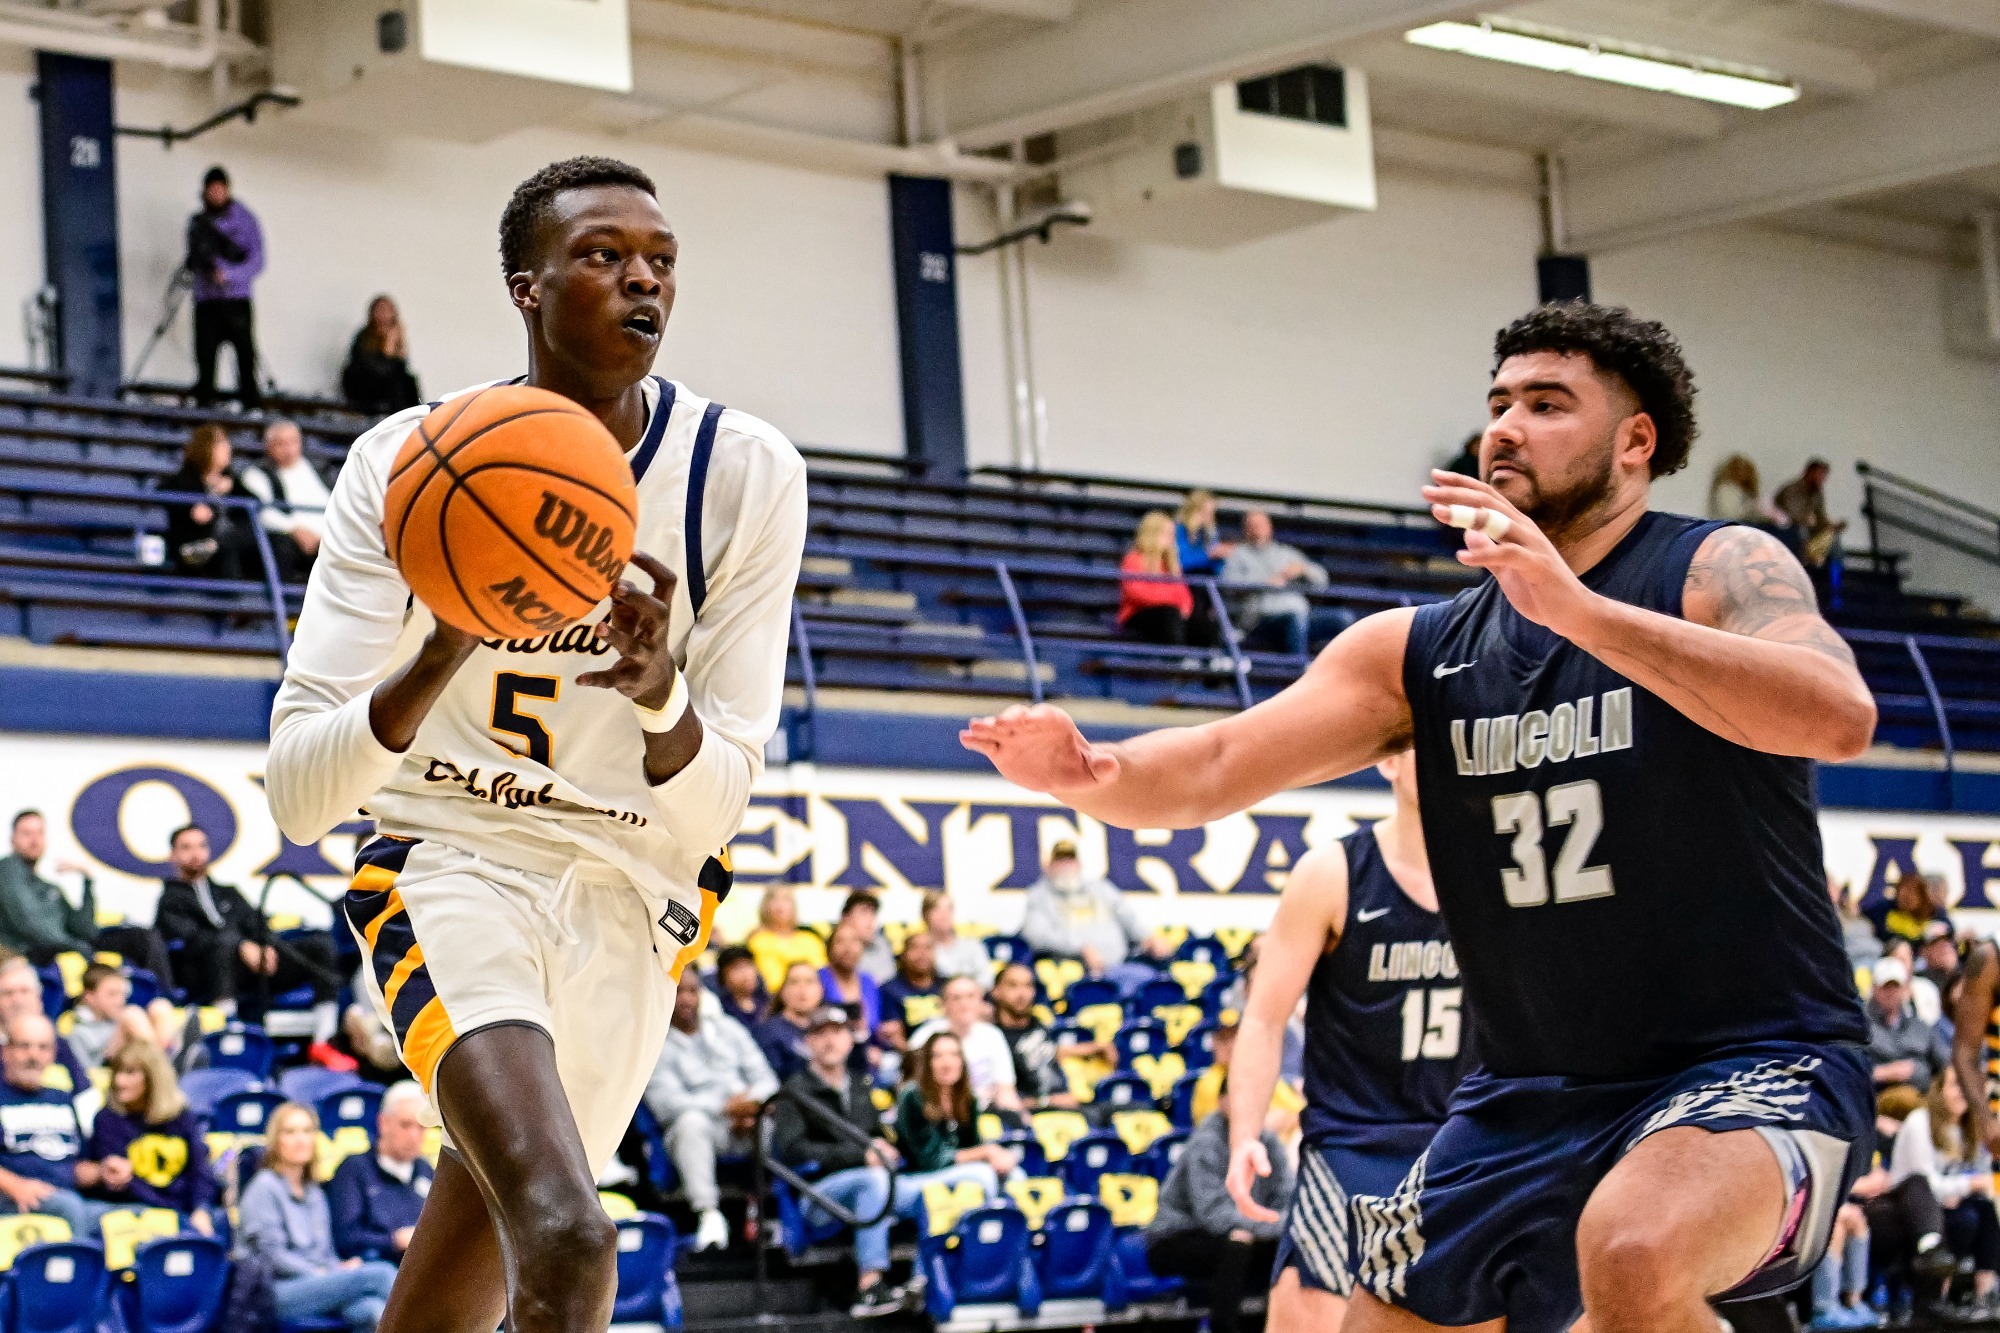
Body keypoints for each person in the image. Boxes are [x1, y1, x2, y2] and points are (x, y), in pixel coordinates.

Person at [962, 301, 1879, 1332]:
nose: (1506, 427)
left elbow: (1838, 715)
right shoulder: (1417, 649)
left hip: (1753, 1062)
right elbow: (1217, 763)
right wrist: (1091, 769)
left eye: (1546, 404)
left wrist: (1580, 615)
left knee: (1633, 1248)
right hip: (1525, 1091)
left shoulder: (1715, 567)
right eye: (1498, 403)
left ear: (1635, 441)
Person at [264, 153, 809, 1331]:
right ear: (527, 285)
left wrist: (660, 694)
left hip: (638, 888)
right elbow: (300, 794)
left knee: (462, 1288)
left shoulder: (744, 470)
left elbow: (718, 807)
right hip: (456, 856)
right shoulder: (408, 462)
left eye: (661, 261)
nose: (643, 281)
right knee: (570, 1232)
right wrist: (440, 651)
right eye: (603, 256)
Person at [1225, 750, 1466, 1331]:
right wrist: (1245, 1134)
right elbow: (1263, 1019)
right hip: (1354, 1145)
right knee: (1308, 1308)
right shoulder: (1332, 873)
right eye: (1425, 742)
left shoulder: (1505, 872)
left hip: (1467, 1144)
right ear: (1389, 762)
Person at [767, 1007, 901, 1317]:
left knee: (925, 1191)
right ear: (807, 1042)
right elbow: (793, 1151)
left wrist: (885, 1146)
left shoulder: (862, 1084)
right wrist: (859, 1155)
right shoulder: (793, 1091)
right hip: (817, 1194)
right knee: (874, 1182)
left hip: (872, 1183)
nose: (830, 1041)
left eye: (837, 1032)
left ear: (850, 1040)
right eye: (820, 1033)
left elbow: (875, 1134)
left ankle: (923, 1280)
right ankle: (870, 1286)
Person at [154, 825, 340, 1034]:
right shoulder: (169, 902)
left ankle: (325, 1036)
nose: (196, 853)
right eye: (186, 847)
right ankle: (227, 1031)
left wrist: (265, 946)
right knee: (221, 947)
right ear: (173, 855)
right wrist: (240, 945)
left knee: (319, 945)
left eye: (201, 846)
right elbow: (194, 939)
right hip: (206, 975)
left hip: (252, 969)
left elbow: (255, 923)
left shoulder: (228, 893)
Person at [647, 966, 777, 1252]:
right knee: (690, 1123)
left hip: (744, 1123)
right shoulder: (653, 1042)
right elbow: (667, 1104)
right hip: (698, 1130)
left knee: (769, 1122)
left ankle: (768, 1210)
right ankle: (709, 1214)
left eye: (692, 991)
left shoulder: (728, 1028)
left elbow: (767, 1080)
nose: (686, 999)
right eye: (678, 991)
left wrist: (753, 1106)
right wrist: (726, 1109)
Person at [239, 1103, 399, 1332]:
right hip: (277, 1290)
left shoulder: (315, 1192)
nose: (300, 1140)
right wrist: (320, 1274)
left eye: (307, 1131)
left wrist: (338, 1268)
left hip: (320, 1284)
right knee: (380, 1274)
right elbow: (271, 1256)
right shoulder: (264, 1186)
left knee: (371, 1310)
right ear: (276, 1140)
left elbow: (325, 1253)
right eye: (290, 1132)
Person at [1149, 1108, 1293, 1333]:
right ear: (1222, 1102)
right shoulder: (1205, 1142)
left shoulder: (1270, 1143)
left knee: (1286, 1247)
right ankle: (1223, 1328)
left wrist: (1268, 1228)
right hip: (1177, 1235)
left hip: (1247, 1232)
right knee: (1237, 1244)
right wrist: (1267, 1226)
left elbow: (1287, 1203)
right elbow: (1214, 1216)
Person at [0, 810, 173, 980]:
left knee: (143, 938)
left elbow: (86, 930)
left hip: (66, 945)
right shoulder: (7, 869)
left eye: (40, 833)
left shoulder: (49, 887)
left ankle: (164, 994)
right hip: (34, 951)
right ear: (12, 839)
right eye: (26, 833)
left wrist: (87, 880)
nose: (34, 840)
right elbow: (29, 923)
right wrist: (77, 946)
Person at [1891, 1067, 2000, 1318]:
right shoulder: (1920, 1122)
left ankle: (1985, 1295)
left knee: (1984, 1210)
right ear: (1939, 1090)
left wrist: (1971, 1187)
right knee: (1964, 1218)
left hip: (1950, 1203)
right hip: (1908, 1207)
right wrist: (1968, 1185)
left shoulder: (1973, 1128)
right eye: (1955, 1086)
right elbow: (1921, 1185)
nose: (1963, 1093)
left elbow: (1984, 1180)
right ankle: (1935, 1296)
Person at [76, 1039, 215, 1232]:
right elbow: (120, 1186)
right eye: (117, 1072)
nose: (119, 1082)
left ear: (153, 1077)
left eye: (130, 1073)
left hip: (179, 1208)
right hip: (132, 1210)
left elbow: (200, 1171)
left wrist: (201, 1210)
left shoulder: (181, 1118)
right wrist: (172, 1214)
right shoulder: (107, 1120)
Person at [0, 1013, 102, 1236]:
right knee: (70, 1207)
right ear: (5, 1052)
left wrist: (104, 1172)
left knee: (137, 1217)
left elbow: (76, 1168)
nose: (33, 1056)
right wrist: (15, 1185)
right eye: (24, 1046)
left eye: (43, 1048)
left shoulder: (62, 1099)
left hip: (68, 1198)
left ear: (53, 1054)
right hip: (12, 1200)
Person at [891, 1031, 1016, 1208]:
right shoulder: (912, 1096)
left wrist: (995, 1155)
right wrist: (987, 1152)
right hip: (916, 1176)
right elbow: (930, 1160)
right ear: (926, 1063)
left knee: (1015, 1174)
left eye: (954, 1055)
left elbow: (973, 1145)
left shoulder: (967, 1098)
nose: (947, 1063)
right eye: (937, 1056)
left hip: (957, 1171)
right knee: (983, 1175)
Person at [1020, 840, 1170, 986]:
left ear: (1079, 864)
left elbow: (1127, 918)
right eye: (1060, 861)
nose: (1066, 866)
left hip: (1119, 966)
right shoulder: (1039, 896)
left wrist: (1148, 938)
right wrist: (1080, 948)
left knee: (1154, 981)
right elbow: (1035, 935)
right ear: (1048, 866)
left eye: (1070, 860)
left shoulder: (1100, 888)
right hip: (1074, 973)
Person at [327, 1082, 435, 1265]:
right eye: (406, 1125)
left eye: (421, 1127)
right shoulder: (354, 1169)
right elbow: (345, 1237)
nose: (414, 1136)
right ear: (383, 1123)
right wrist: (394, 1240)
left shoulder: (425, 1169)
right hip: (376, 1266)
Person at [186, 165, 265, 408]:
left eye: (219, 190)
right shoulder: (198, 223)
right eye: (211, 190)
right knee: (205, 356)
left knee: (245, 355)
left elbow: (257, 261)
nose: (215, 195)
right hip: (207, 300)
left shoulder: (246, 220)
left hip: (236, 300)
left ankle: (250, 405)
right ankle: (205, 404)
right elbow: (193, 258)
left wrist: (230, 275)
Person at [1221, 510, 1340, 656]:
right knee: (1296, 617)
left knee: (1342, 619)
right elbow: (1228, 586)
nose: (1258, 529)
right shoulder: (1238, 555)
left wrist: (1304, 570)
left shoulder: (1285, 553)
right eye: (1253, 525)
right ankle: (1299, 666)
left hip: (1300, 614)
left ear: (1270, 527)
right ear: (1246, 529)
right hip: (1261, 619)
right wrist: (1265, 583)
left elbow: (1322, 581)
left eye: (1261, 524)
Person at [238, 419, 336, 584]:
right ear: (268, 446)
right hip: (291, 542)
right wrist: (295, 530)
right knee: (282, 546)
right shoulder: (257, 474)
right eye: (281, 444)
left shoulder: (317, 469)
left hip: (329, 539)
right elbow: (263, 513)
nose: (289, 449)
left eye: (293, 442)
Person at [990, 961, 1098, 1108]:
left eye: (1028, 986)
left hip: (1065, 1102)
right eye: (1013, 986)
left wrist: (1096, 1047)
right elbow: (1001, 1099)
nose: (1022, 993)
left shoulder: (1036, 1023)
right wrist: (1048, 1101)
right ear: (996, 991)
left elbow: (1050, 1051)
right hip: (1033, 1111)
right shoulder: (994, 1038)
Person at [909, 976, 1022, 1112]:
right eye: (956, 998)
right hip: (936, 1112)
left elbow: (1005, 1090)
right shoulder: (923, 1038)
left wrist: (1016, 1117)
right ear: (943, 1004)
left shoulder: (993, 1035)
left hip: (985, 1112)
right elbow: (912, 1090)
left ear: (981, 1001)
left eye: (970, 996)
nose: (964, 1004)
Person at [162, 424, 259, 580]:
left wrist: (233, 487)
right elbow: (164, 491)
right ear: (205, 448)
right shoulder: (187, 478)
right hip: (195, 543)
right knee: (227, 551)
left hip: (228, 544)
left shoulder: (231, 481)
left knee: (255, 537)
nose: (228, 449)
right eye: (221, 444)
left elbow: (256, 503)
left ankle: (214, 545)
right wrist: (190, 509)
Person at [0, 958, 88, 1095]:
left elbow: (84, 1092)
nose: (17, 1000)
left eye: (24, 991)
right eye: (8, 993)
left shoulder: (58, 1044)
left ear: (38, 999)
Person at [66, 964, 177, 1071]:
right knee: (131, 1014)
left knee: (160, 1006)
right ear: (90, 997)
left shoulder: (115, 1019)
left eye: (122, 994)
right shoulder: (76, 1031)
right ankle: (164, 1066)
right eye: (112, 994)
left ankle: (167, 1061)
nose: (120, 1000)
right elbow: (84, 1070)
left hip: (139, 1059)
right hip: (111, 1068)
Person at [1869, 955, 1950, 1096]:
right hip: (1877, 1096)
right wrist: (1885, 1072)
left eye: (1895, 987)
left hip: (1922, 1094)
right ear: (1874, 989)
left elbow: (1945, 1061)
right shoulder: (1860, 1027)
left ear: (1905, 989)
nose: (1891, 993)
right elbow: (1847, 1070)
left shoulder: (1919, 1026)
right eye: (1885, 987)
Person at [1120, 510, 1196, 647]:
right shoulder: (1134, 559)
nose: (1171, 539)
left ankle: (1214, 656)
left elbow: (1184, 595)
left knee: (1201, 620)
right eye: (1167, 534)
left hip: (1169, 613)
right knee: (1170, 615)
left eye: (1172, 535)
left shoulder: (1171, 564)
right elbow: (1137, 593)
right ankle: (1177, 656)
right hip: (1138, 614)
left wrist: (1184, 607)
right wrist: (1171, 601)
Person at [341, 295, 422, 416]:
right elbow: (376, 369)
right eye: (380, 309)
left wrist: (399, 346)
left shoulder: (395, 335)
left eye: (387, 309)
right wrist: (389, 346)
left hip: (387, 385)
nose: (383, 313)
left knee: (409, 381)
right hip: (365, 384)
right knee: (396, 384)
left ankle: (415, 416)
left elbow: (401, 367)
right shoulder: (365, 336)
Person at [747, 885, 828, 994]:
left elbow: (822, 975)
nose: (780, 904)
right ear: (765, 907)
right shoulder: (758, 941)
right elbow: (772, 981)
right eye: (773, 899)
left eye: (785, 899)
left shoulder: (810, 940)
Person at [755, 962, 827, 1083]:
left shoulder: (830, 1028)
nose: (802, 989)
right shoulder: (768, 1031)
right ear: (782, 991)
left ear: (821, 990)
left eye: (809, 981)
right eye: (794, 982)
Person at [877, 931, 944, 1053]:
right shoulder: (890, 990)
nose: (922, 954)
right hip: (907, 1054)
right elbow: (896, 1037)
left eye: (927, 948)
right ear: (903, 954)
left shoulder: (947, 986)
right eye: (915, 948)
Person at [1775, 458, 1847, 569]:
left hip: (1807, 528)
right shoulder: (1793, 489)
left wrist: (1830, 525)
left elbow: (1820, 515)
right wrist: (1814, 522)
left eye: (1823, 476)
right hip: (1786, 529)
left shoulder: (1817, 492)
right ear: (1809, 472)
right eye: (1819, 475)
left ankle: (1835, 577)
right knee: (1801, 531)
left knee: (1834, 538)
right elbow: (1794, 516)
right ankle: (1802, 569)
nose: (1821, 479)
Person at [920, 891, 994, 987]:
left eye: (948, 909)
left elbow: (986, 980)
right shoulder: (919, 949)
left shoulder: (972, 946)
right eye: (937, 910)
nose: (944, 915)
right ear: (925, 914)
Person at [820, 924, 881, 1039]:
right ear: (829, 948)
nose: (848, 948)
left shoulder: (869, 982)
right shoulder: (818, 979)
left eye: (854, 941)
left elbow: (875, 1026)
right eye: (840, 941)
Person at [1867, 873, 1951, 951]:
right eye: (1900, 894)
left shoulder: (1933, 914)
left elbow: (1947, 930)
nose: (1904, 900)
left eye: (1910, 895)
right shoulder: (1884, 910)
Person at [833, 892, 897, 984]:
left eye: (873, 913)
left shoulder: (882, 944)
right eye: (864, 912)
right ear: (846, 917)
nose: (870, 919)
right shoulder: (833, 945)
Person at [711, 944, 768, 1028]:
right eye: (737, 968)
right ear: (723, 977)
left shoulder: (768, 1002)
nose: (746, 974)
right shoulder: (721, 1009)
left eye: (748, 965)